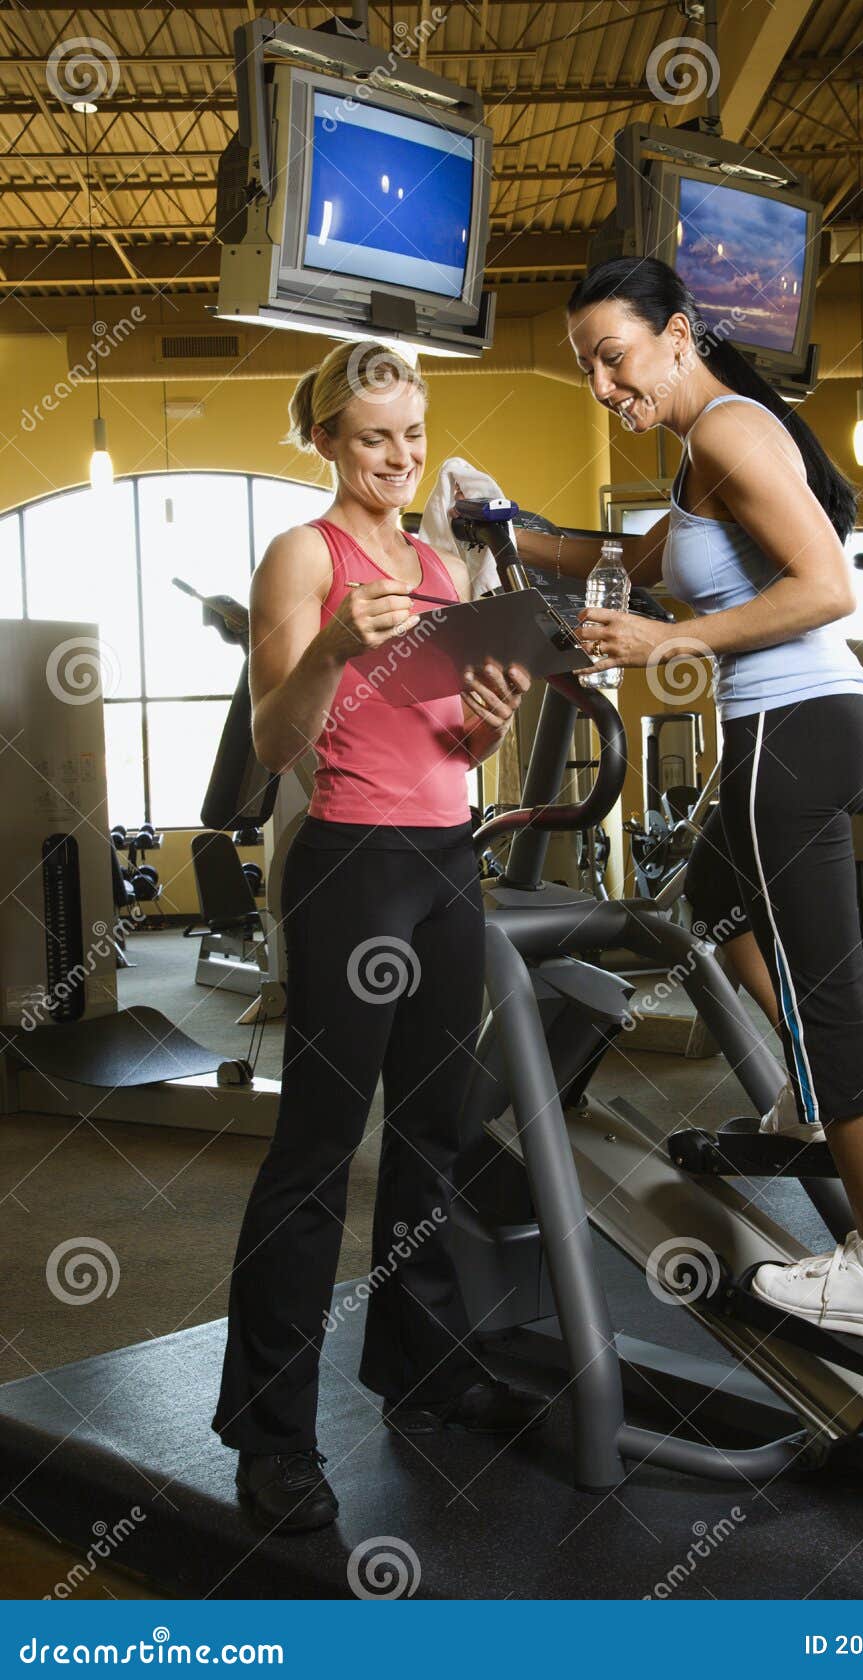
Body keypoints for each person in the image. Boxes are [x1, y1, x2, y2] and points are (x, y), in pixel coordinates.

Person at [515, 256, 863, 1348]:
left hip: (789, 727)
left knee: (825, 996)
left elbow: (828, 582)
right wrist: (500, 524)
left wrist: (672, 639)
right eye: (585, 370)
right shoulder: (702, 457)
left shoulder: (728, 435)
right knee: (712, 896)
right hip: (806, 729)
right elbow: (613, 556)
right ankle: (803, 1095)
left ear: (676, 333)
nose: (603, 386)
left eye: (612, 356)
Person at [211, 341, 548, 1535]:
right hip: (351, 866)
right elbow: (270, 737)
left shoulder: (445, 564)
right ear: (327, 443)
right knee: (315, 1150)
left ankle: (420, 1360)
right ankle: (271, 1434)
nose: (398, 458)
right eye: (373, 438)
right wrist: (334, 647)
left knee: (436, 1135)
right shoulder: (306, 555)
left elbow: (454, 746)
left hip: (448, 858)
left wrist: (490, 722)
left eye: (411, 436)